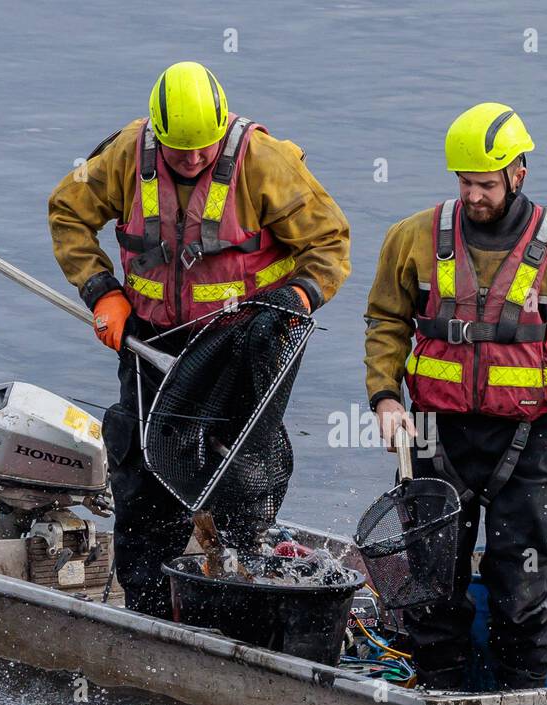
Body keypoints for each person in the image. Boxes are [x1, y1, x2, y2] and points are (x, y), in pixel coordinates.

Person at [48, 61, 351, 615]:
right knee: (144, 468)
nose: (191, 161)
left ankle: (239, 592)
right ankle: (148, 606)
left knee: (236, 466)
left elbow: (329, 242)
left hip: (244, 343)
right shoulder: (125, 156)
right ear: (157, 133)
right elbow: (67, 212)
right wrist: (101, 291)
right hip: (152, 338)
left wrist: (301, 296)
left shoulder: (264, 162)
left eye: (202, 150)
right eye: (179, 151)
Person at [363, 102, 547, 690]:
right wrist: (385, 398)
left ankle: (518, 704)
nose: (474, 195)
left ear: (518, 174)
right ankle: (440, 696)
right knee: (435, 582)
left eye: (485, 183)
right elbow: (386, 322)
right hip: (432, 434)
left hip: (526, 439)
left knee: (520, 582)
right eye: (464, 182)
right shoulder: (412, 240)